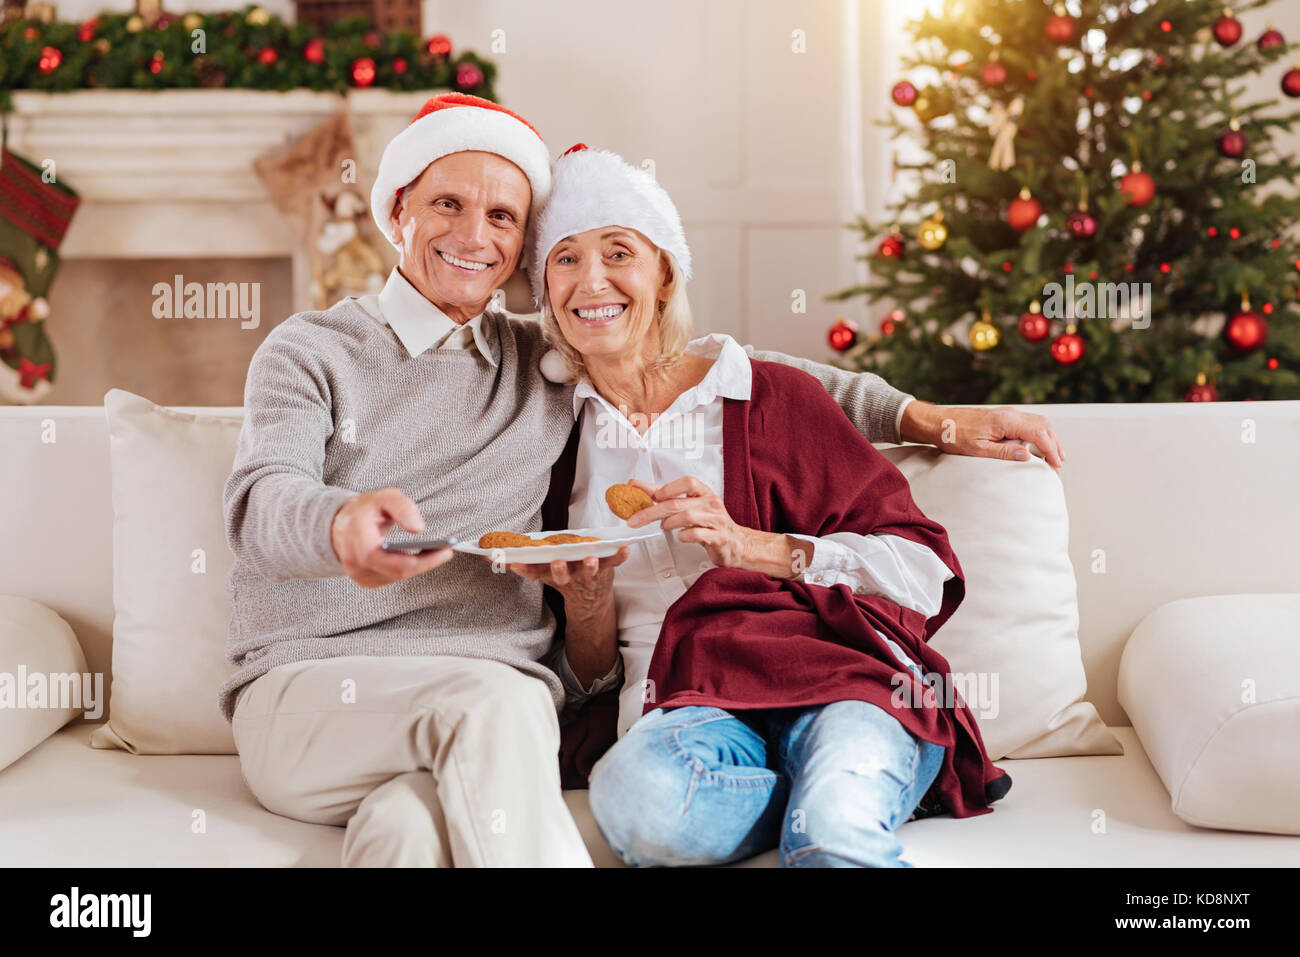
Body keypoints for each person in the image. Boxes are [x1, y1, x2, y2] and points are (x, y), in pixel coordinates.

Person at [220, 93, 1049, 869]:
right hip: (322, 692)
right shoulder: (312, 350)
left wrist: (928, 418)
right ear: (398, 210)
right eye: (447, 204)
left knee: (406, 830)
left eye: (502, 216)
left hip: (467, 726)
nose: (474, 233)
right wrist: (340, 527)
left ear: (518, 253)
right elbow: (263, 499)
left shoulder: (536, 360)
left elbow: (747, 378)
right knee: (501, 703)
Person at [506, 145, 1010, 868]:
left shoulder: (767, 396)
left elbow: (924, 573)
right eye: (565, 259)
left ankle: (834, 799)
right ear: (544, 288)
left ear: (664, 273)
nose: (593, 281)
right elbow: (590, 677)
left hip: (839, 678)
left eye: (619, 252)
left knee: (836, 832)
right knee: (638, 803)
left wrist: (753, 545)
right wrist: (587, 609)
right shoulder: (556, 442)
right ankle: (815, 795)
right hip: (682, 707)